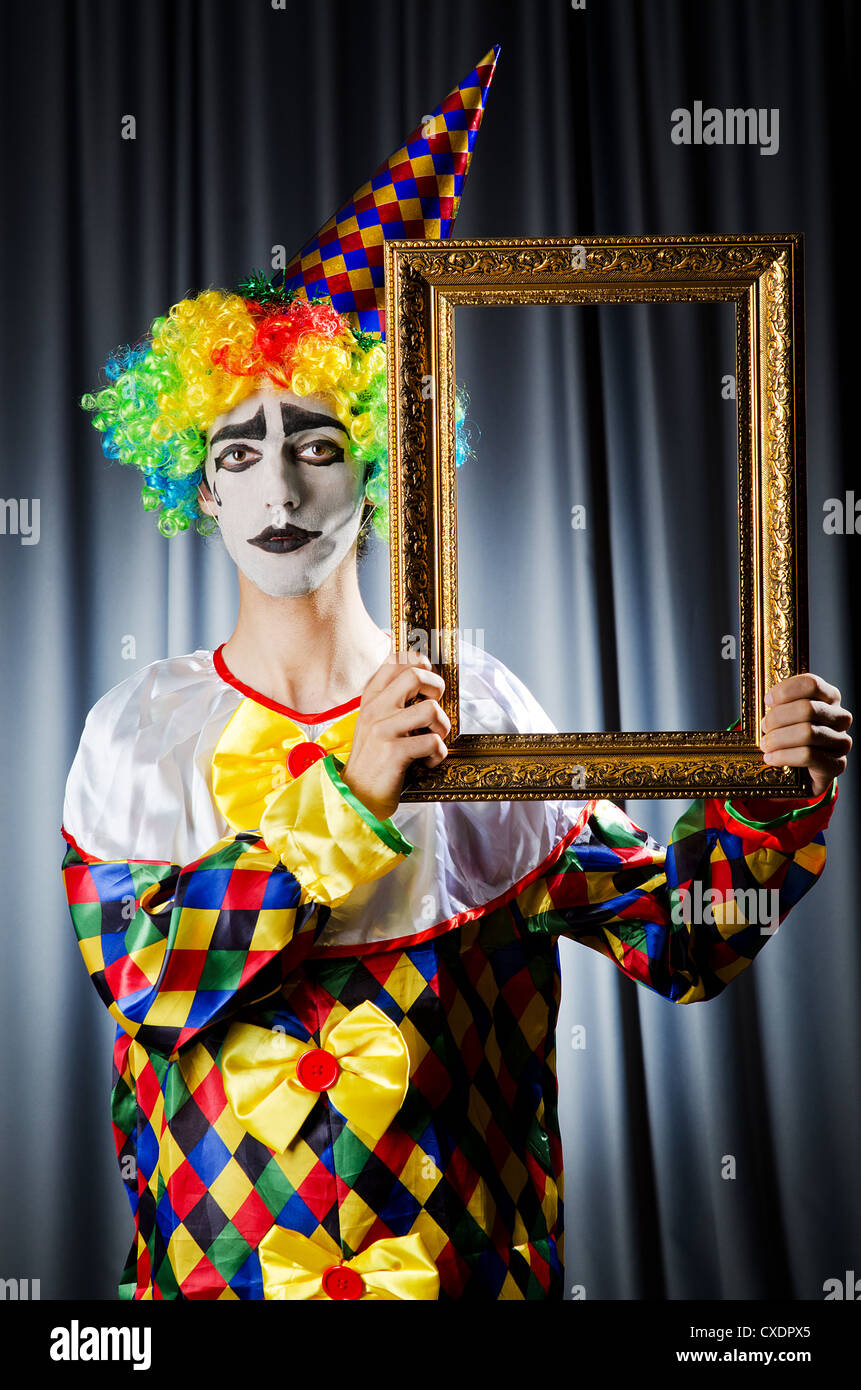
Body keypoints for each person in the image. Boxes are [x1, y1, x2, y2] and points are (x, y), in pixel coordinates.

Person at [61, 45, 852, 1301]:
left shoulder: (481, 713)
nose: (279, 484)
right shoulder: (137, 733)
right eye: (239, 451)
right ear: (195, 485)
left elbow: (686, 942)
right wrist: (349, 804)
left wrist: (770, 794)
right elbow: (151, 979)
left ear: (378, 469)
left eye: (317, 443)